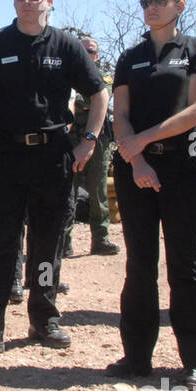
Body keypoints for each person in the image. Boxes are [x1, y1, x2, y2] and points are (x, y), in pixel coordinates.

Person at [0, 0, 107, 353]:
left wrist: (88, 141)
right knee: (1, 241)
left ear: (48, 1)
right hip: (5, 155)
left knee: (47, 243)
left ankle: (44, 317)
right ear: (13, 0)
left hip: (52, 156)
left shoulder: (65, 45)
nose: (27, 1)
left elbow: (99, 91)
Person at [104, 0, 196, 388]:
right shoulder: (130, 56)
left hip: (183, 170)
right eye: (146, 0)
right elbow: (120, 114)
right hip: (136, 171)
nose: (151, 6)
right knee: (139, 265)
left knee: (185, 268)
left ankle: (194, 361)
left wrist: (143, 142)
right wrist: (136, 162)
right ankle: (136, 357)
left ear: (181, 5)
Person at [66, 33, 119, 257]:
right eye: (84, 50)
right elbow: (76, 103)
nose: (89, 55)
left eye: (93, 51)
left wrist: (81, 102)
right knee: (68, 192)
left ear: (97, 56)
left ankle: (101, 239)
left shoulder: (104, 78)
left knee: (98, 192)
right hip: (70, 139)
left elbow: (100, 98)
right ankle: (64, 241)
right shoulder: (67, 77)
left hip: (98, 141)